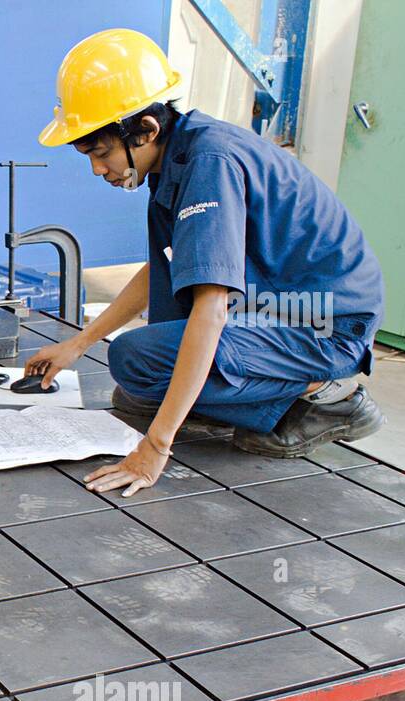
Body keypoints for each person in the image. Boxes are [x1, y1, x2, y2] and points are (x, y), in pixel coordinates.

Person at [25, 28, 385, 498]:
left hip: (324, 323)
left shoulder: (209, 162)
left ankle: (324, 397)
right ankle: (269, 394)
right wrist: (78, 344)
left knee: (138, 361)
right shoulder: (172, 160)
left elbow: (211, 308)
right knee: (135, 382)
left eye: (101, 152)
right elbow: (165, 267)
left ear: (146, 130)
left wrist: (156, 446)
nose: (98, 169)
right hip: (276, 306)